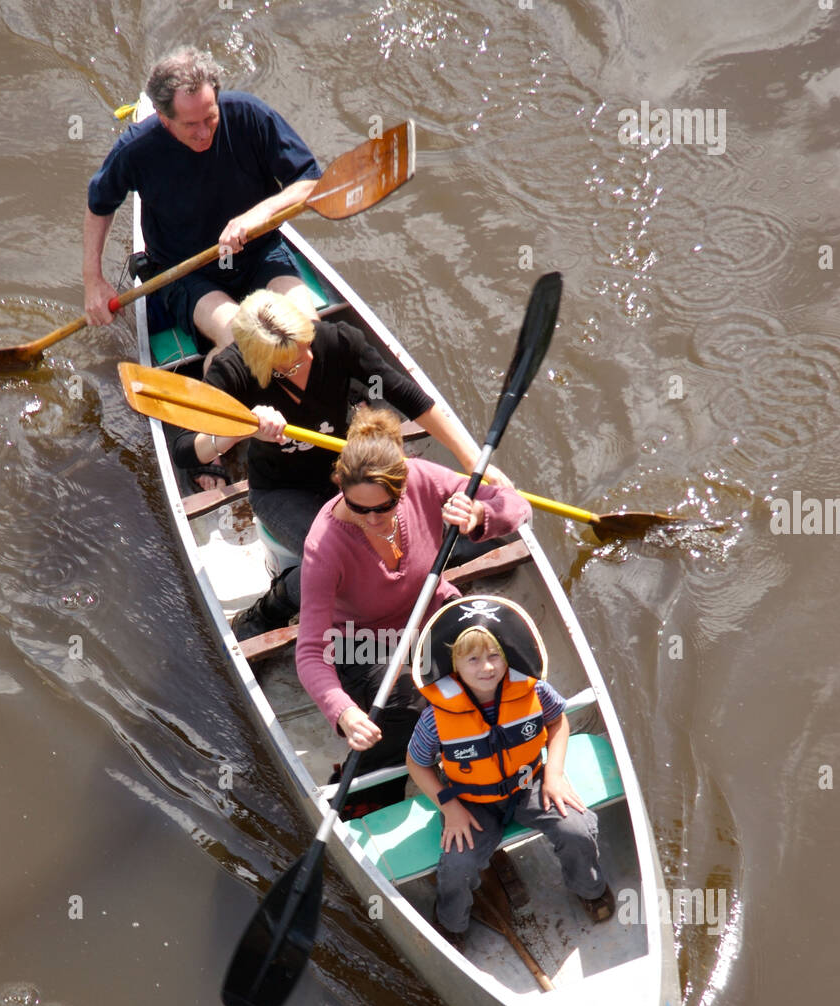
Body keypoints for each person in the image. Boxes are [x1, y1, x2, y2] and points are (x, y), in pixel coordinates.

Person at [170, 290, 505, 636]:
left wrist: (474, 460)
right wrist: (239, 430)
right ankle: (274, 606)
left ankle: (445, 546)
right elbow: (183, 447)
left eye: (307, 346)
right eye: (293, 364)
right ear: (262, 363)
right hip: (283, 490)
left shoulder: (336, 340)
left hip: (349, 471)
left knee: (400, 529)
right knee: (346, 556)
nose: (309, 360)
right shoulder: (233, 371)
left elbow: (408, 395)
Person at [295, 408, 531, 778]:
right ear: (340, 484)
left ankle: (507, 748)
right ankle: (367, 783)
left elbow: (516, 504)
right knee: (407, 707)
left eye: (384, 507)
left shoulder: (421, 477)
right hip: (364, 643)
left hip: (434, 611)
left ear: (403, 484)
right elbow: (310, 650)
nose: (372, 519)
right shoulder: (322, 548)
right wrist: (343, 710)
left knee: (508, 658)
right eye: (359, 508)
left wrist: (479, 515)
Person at [405, 595, 614, 946]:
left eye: (494, 656)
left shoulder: (535, 691)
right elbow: (417, 763)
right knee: (457, 867)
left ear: (507, 656)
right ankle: (451, 924)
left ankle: (590, 888)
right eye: (472, 659)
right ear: (454, 664)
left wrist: (554, 774)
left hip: (530, 784)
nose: (486, 667)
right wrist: (449, 808)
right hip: (470, 802)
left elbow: (558, 723)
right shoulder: (434, 718)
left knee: (577, 830)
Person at [83, 48, 320, 352]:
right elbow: (99, 206)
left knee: (308, 332)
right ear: (163, 117)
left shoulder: (250, 115)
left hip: (260, 252)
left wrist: (256, 216)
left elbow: (310, 183)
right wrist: (93, 280)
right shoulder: (136, 149)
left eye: (210, 117)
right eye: (190, 125)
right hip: (186, 272)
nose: (204, 133)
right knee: (244, 342)